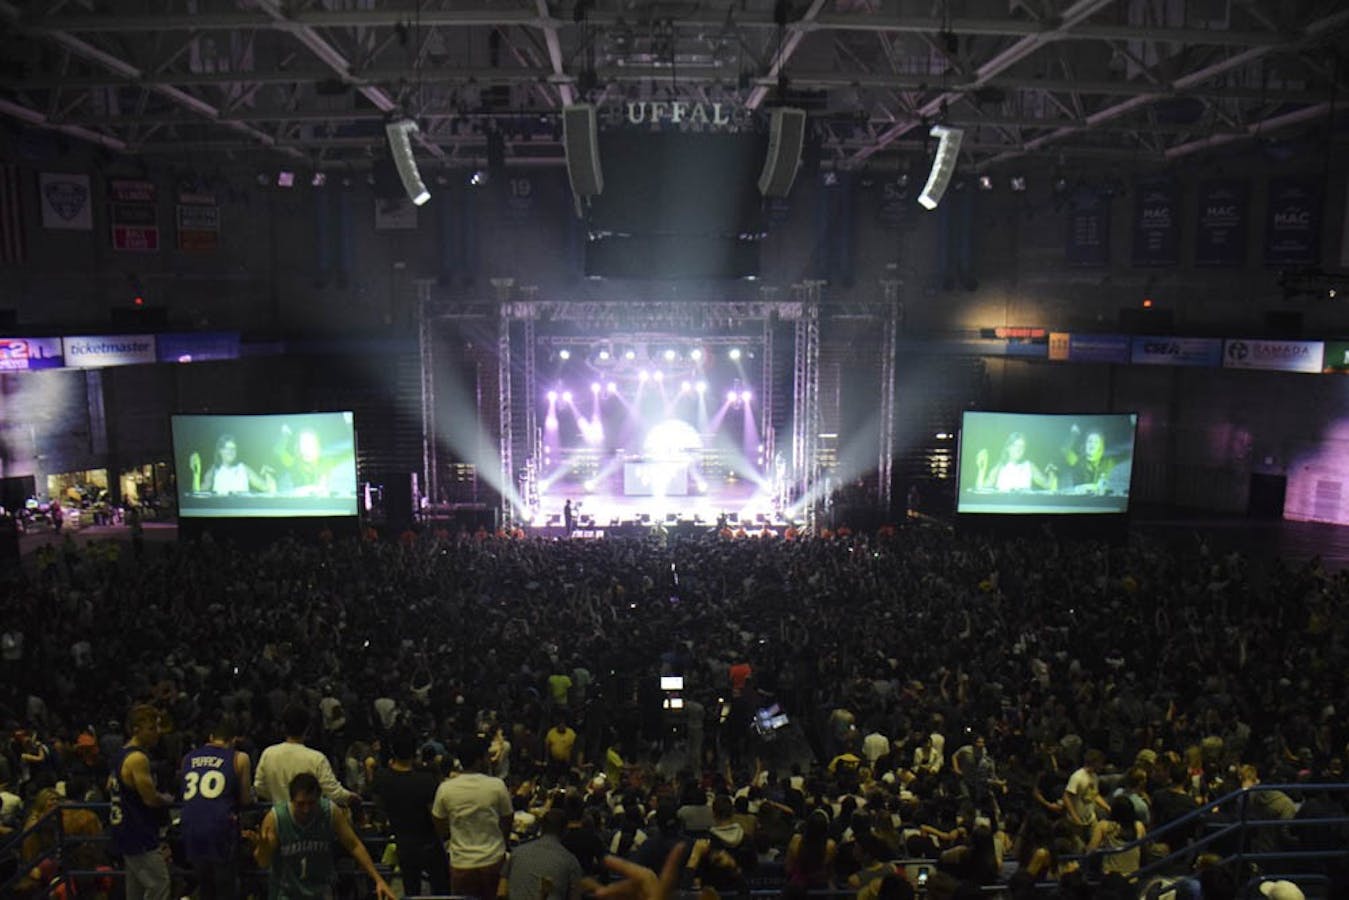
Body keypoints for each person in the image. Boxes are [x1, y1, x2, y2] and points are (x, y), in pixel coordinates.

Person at [251, 771, 396, 900]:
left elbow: (354, 845)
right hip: (286, 893)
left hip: (321, 891)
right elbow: (263, 862)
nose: (306, 809)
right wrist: (263, 847)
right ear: (291, 800)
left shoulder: (330, 812)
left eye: (311, 803)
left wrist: (379, 880)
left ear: (319, 798)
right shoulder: (276, 818)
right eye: (300, 804)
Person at [369, 727, 449, 898]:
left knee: (411, 890)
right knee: (441, 890)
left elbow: (379, 809)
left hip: (404, 843)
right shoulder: (426, 780)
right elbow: (435, 814)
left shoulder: (382, 779)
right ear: (415, 751)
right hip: (430, 843)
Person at [179, 716, 253, 900]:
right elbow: (245, 800)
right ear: (234, 739)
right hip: (220, 830)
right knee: (226, 888)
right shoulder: (239, 758)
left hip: (190, 828)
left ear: (211, 737)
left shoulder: (187, 758)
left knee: (205, 887)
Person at [431, 734, 513, 900]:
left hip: (462, 862)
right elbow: (507, 821)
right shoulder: (496, 786)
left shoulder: (446, 789)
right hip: (493, 859)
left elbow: (439, 825)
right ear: (478, 759)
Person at [108, 704, 174, 900]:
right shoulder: (137, 758)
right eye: (152, 728)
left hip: (124, 829)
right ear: (137, 729)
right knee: (159, 885)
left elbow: (109, 786)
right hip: (138, 832)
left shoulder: (120, 754)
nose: (157, 733)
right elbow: (150, 799)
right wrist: (166, 799)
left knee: (135, 889)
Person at [254, 704, 360, 809]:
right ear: (308, 728)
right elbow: (334, 793)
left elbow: (259, 787)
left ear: (283, 727)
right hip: (309, 818)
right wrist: (351, 797)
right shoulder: (316, 758)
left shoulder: (268, 754)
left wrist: (277, 796)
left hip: (279, 817)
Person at [501, 808, 591, 900]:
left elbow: (501, 892)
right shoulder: (571, 862)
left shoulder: (517, 853)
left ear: (541, 828)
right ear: (565, 831)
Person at [190, 434, 276, 495]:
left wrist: (268, 474)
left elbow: (268, 489)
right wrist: (196, 475)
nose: (230, 452)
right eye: (227, 448)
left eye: (233, 448)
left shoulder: (243, 468)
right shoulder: (214, 470)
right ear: (220, 451)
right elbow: (198, 494)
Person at [975, 432, 1057, 492]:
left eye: (1022, 446)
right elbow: (981, 489)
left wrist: (1051, 471)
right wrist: (981, 470)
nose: (1018, 450)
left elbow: (1048, 485)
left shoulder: (1029, 466)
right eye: (1015, 445)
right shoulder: (1000, 466)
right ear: (1008, 447)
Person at [1063, 429, 1120, 494]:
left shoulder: (1108, 461)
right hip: (1080, 500)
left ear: (1100, 446)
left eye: (1096, 442)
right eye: (1089, 441)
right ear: (1085, 444)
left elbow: (1128, 454)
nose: (1092, 444)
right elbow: (1065, 449)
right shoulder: (1076, 461)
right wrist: (1074, 434)